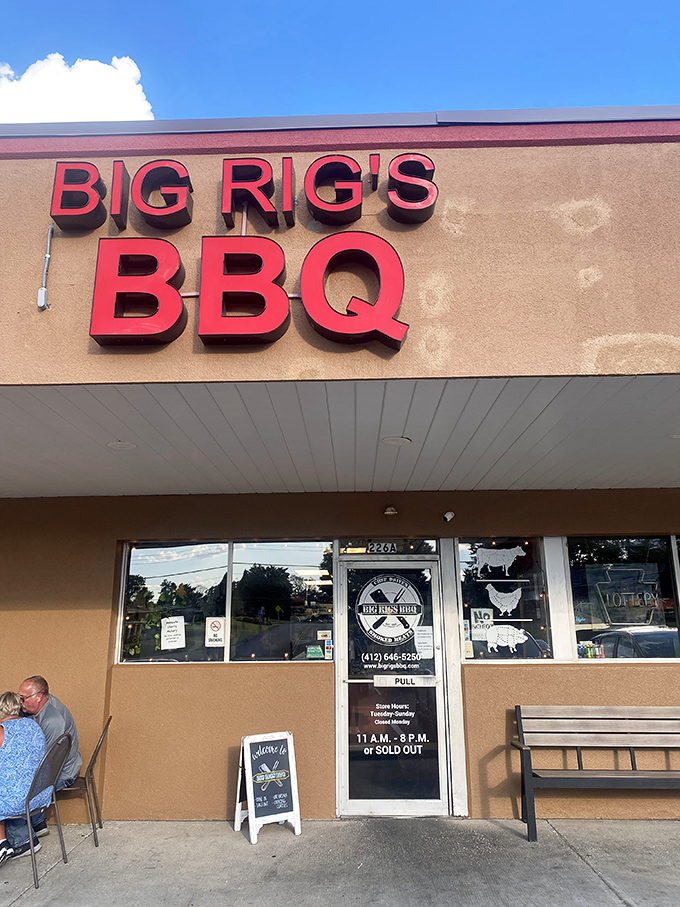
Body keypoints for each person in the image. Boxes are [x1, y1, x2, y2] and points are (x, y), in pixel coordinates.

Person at [4, 676, 82, 859]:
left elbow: (47, 766)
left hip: (62, 773)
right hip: (51, 767)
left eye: (23, 698)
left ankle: (24, 841)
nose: (19, 703)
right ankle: (38, 824)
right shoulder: (37, 708)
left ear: (39, 696)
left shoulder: (52, 721)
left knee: (11, 789)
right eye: (18, 697)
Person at [0, 692, 51, 866]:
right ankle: (35, 826)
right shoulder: (33, 725)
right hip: (40, 794)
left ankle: (6, 843)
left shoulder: (2, 731)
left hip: (18, 800)